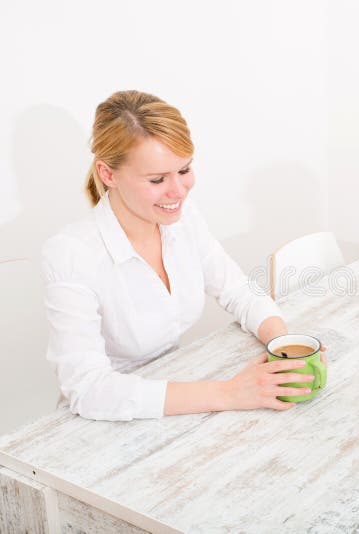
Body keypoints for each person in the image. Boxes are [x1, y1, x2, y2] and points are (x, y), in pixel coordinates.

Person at [42, 90, 320, 421]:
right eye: (157, 179)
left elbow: (239, 291)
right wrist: (230, 393)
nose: (178, 191)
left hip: (175, 404)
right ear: (108, 174)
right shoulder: (71, 254)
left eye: (184, 170)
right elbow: (89, 390)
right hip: (101, 424)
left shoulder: (183, 219)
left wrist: (285, 350)